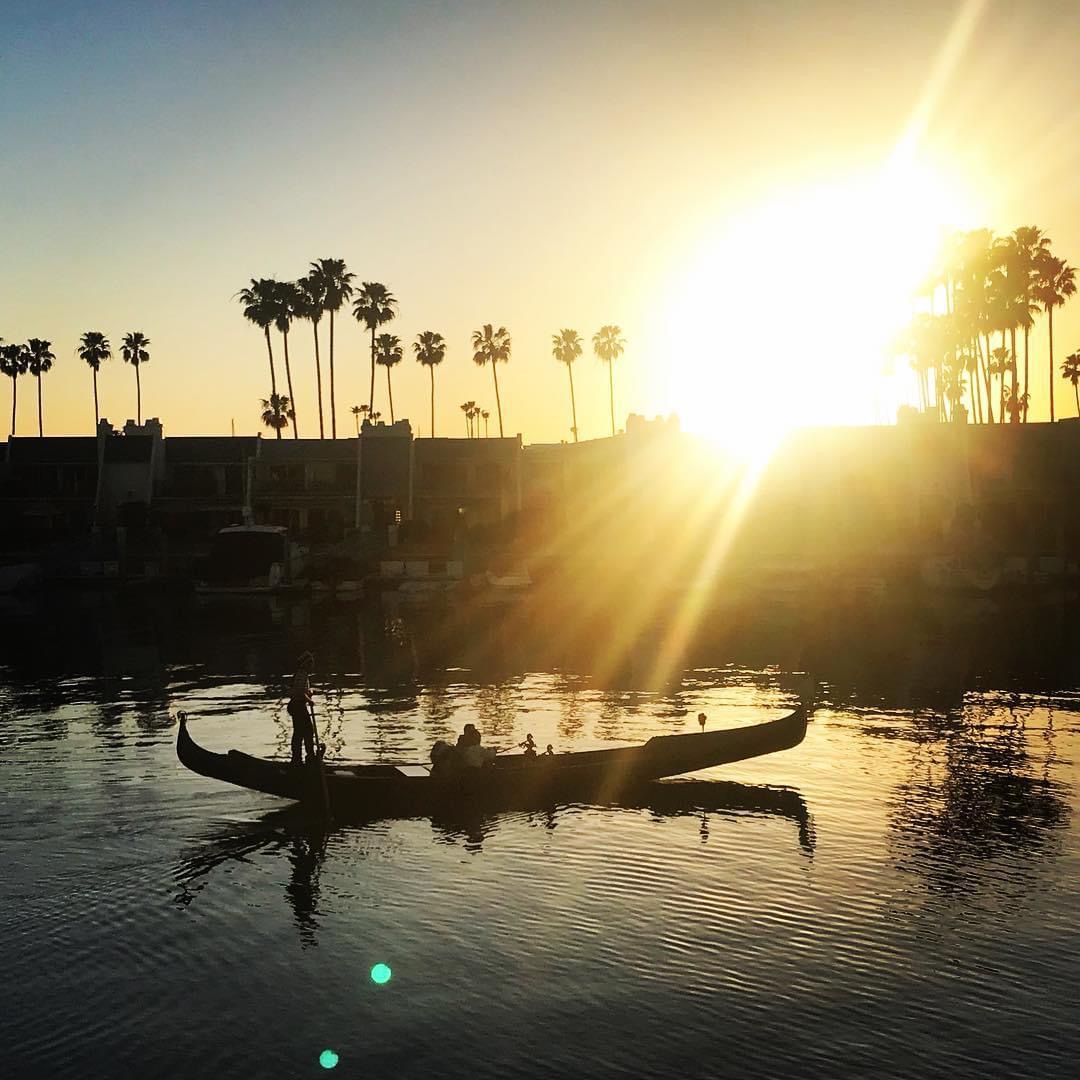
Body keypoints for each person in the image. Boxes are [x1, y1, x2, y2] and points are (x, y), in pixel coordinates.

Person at [288, 652, 316, 766]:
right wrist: (309, 700)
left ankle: (299, 758)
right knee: (306, 731)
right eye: (311, 663)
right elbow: (299, 692)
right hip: (297, 706)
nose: (312, 666)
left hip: (298, 705)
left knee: (301, 732)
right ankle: (305, 758)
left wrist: (310, 692)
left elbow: (302, 691)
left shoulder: (302, 674)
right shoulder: (302, 674)